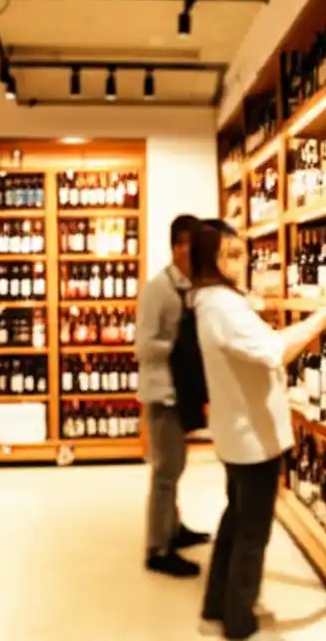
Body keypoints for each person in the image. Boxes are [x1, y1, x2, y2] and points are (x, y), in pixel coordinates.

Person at [191, 219, 326, 640]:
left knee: (235, 519)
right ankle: (238, 618)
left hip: (237, 432)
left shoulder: (211, 300)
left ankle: (217, 602)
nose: (243, 260)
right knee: (253, 530)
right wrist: (324, 316)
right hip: (252, 439)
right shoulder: (222, 306)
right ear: (214, 258)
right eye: (233, 253)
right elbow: (273, 351)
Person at [137, 214, 210, 577]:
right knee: (166, 470)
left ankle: (173, 528)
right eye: (186, 243)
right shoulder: (158, 289)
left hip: (183, 391)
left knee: (176, 464)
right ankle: (157, 548)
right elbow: (143, 346)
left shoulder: (191, 286)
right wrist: (178, 347)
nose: (191, 250)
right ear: (177, 246)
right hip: (163, 391)